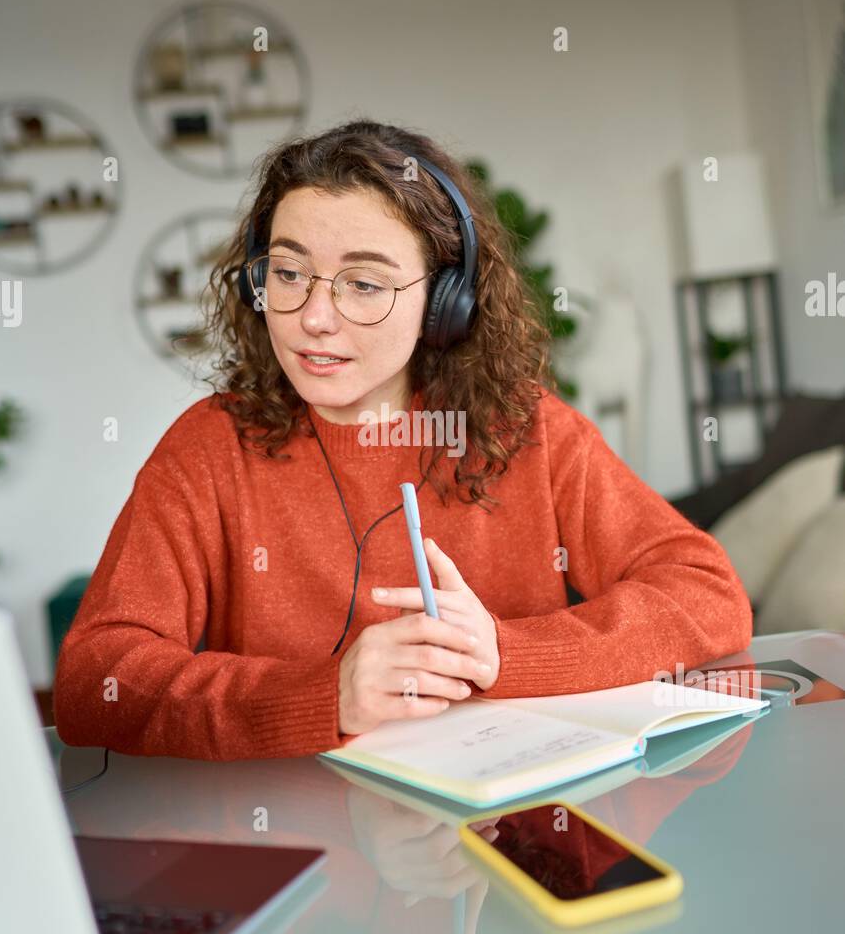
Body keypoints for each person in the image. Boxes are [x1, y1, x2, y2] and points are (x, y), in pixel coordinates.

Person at [53, 119, 753, 760]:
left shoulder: (528, 430)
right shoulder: (209, 447)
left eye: (363, 283)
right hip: (304, 848)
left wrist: (501, 654)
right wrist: (323, 696)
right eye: (290, 274)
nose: (313, 318)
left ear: (444, 302)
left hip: (509, 837)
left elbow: (707, 595)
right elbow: (95, 683)